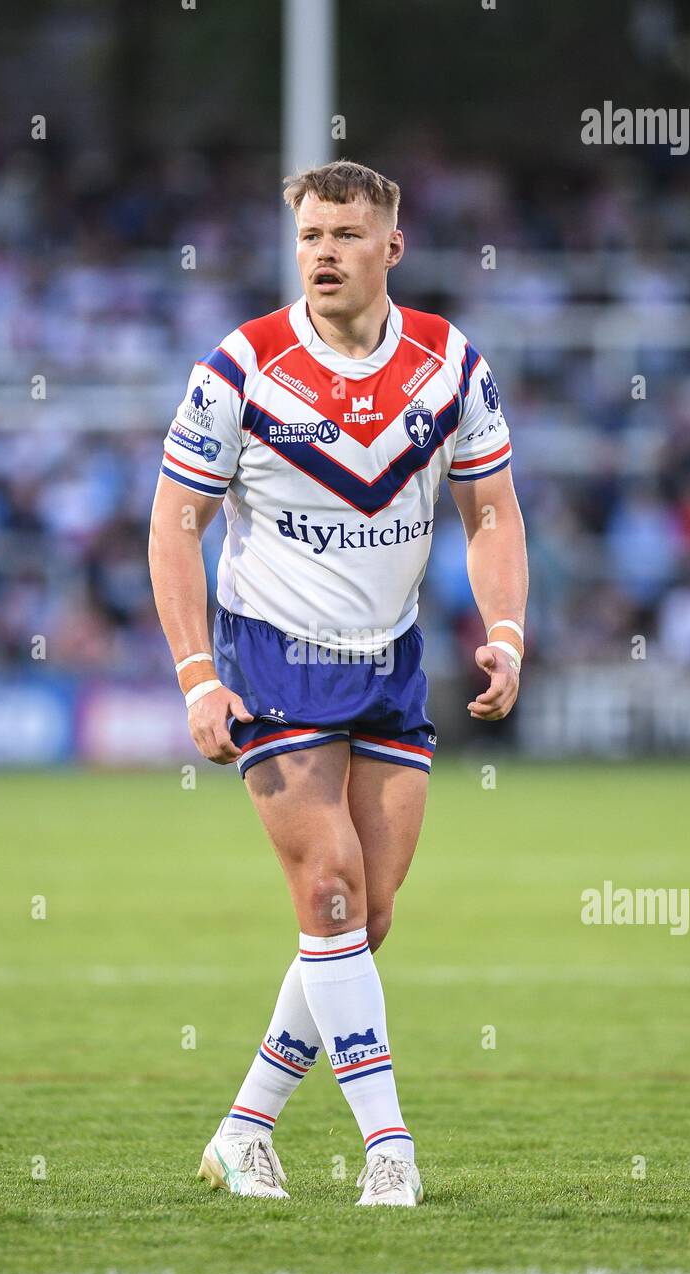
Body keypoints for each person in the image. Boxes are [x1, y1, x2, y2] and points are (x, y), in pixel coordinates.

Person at [148, 160, 528, 1206]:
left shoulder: (449, 364)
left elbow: (490, 512)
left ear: (390, 248)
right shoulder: (239, 367)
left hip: (388, 660)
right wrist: (195, 678)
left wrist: (504, 631)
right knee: (326, 887)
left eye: (346, 235)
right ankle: (388, 1151)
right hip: (273, 657)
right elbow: (172, 525)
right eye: (310, 233)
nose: (322, 251)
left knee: (364, 919)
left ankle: (244, 1129)